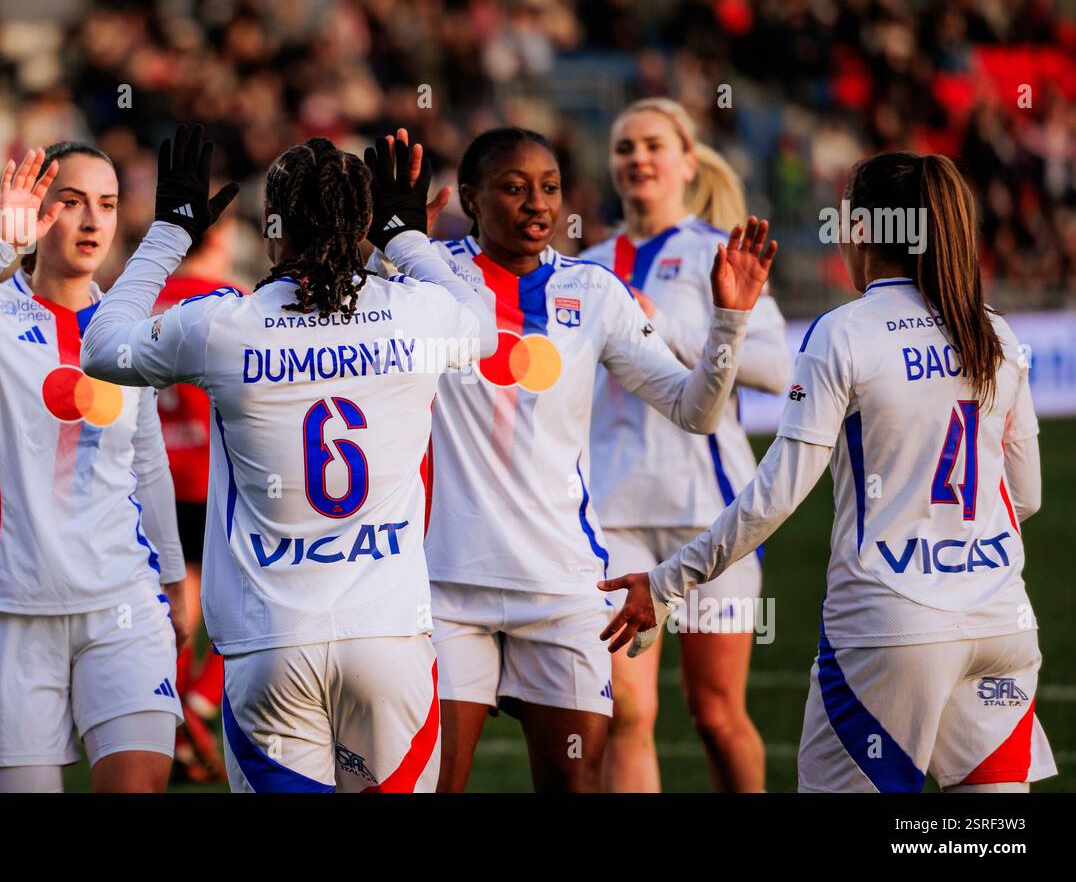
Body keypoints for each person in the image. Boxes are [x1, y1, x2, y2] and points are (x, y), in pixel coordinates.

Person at [602, 151, 1057, 792]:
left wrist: (668, 582)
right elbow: (1026, 495)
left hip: (887, 629)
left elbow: (776, 494)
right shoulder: (996, 334)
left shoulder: (843, 332)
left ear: (863, 231)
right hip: (1002, 623)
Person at [80, 125, 498, 792]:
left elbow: (101, 348)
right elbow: (483, 323)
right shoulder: (417, 313)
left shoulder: (223, 324)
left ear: (273, 228)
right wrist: (405, 235)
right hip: (388, 638)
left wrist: (168, 233)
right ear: (361, 222)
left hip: (270, 643)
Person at [389, 126, 777, 792]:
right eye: (514, 188)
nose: (537, 204)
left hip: (563, 591)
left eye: (549, 187)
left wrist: (728, 324)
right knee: (436, 784)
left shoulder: (594, 291)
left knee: (575, 783)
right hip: (446, 587)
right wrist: (388, 244)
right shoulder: (427, 277)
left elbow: (696, 411)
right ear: (471, 199)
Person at [0, 144, 188, 793]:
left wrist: (172, 578)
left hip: (123, 605)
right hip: (10, 611)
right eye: (71, 202)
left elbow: (147, 461)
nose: (92, 221)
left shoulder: (130, 328)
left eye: (107, 204)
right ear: (38, 213)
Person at [579, 98, 790, 792]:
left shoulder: (719, 252)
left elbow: (777, 370)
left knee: (716, 713)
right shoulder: (584, 267)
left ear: (688, 162)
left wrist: (661, 325)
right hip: (611, 515)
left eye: (652, 145)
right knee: (627, 711)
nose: (637, 158)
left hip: (710, 514)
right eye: (624, 147)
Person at [151, 220, 242, 783]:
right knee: (248, 592)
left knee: (179, 596)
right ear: (220, 238)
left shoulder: (146, 298)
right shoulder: (232, 300)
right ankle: (203, 698)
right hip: (217, 474)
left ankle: (174, 718)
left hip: (160, 473)